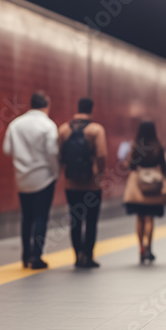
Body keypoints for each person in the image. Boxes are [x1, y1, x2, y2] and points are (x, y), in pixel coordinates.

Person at [3, 91, 59, 270]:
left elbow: (6, 149)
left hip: (22, 179)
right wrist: (56, 172)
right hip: (43, 177)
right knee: (41, 217)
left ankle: (25, 255)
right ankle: (37, 256)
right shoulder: (48, 125)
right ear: (46, 106)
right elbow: (52, 152)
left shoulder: (15, 124)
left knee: (26, 218)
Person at [58, 98, 107, 269]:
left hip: (71, 183)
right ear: (92, 109)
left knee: (75, 219)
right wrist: (99, 174)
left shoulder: (64, 129)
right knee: (91, 221)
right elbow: (101, 154)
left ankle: (77, 256)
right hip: (91, 185)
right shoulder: (96, 130)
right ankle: (88, 256)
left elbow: (59, 155)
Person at [123, 121, 166, 264]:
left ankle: (140, 248)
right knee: (150, 218)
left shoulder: (136, 146)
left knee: (140, 218)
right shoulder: (157, 146)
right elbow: (164, 165)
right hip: (153, 186)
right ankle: (149, 247)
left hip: (139, 185)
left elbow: (130, 165)